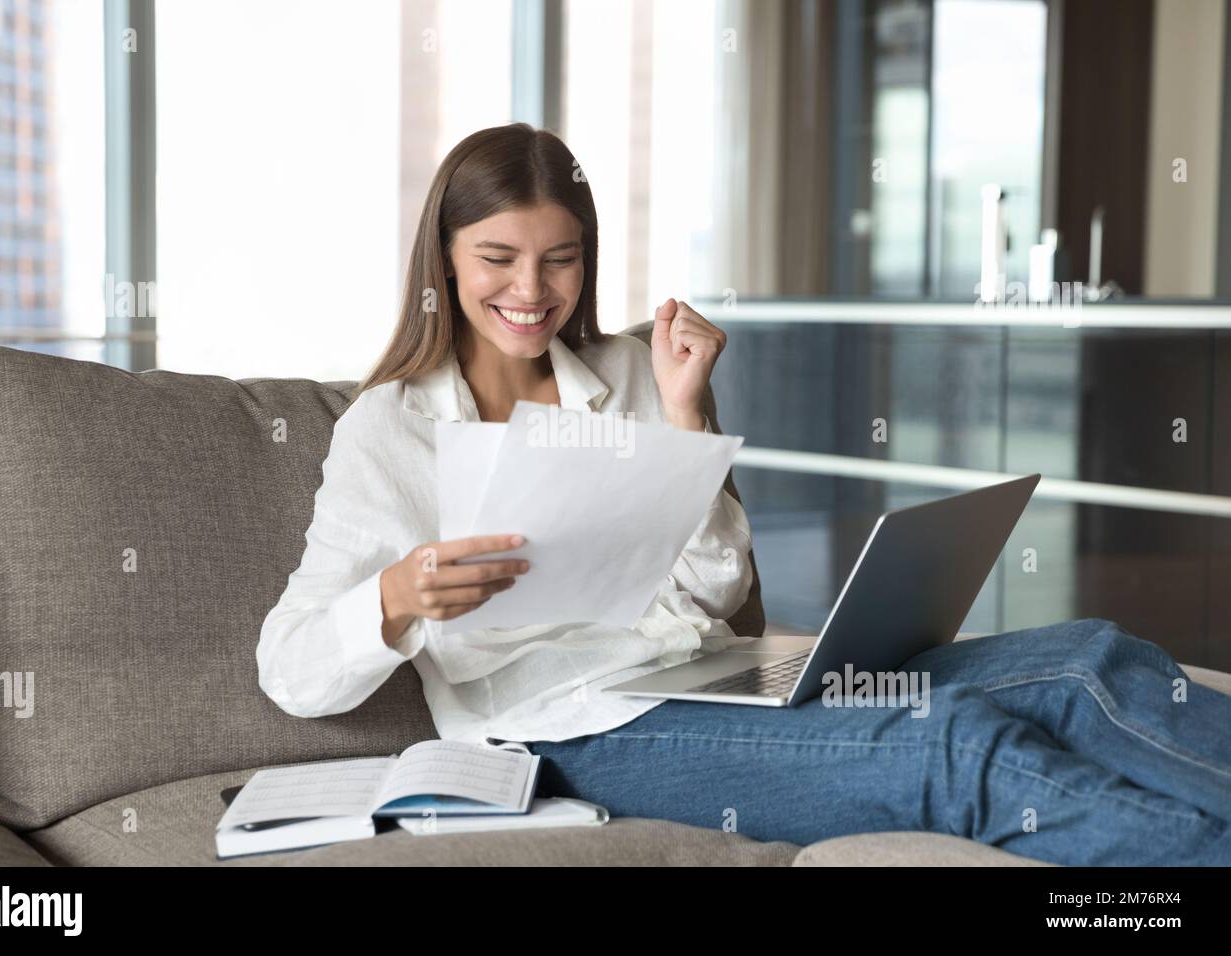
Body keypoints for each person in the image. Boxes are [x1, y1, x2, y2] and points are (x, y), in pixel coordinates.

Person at [256, 123, 1231, 866]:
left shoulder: (630, 372)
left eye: (559, 257)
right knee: (953, 745)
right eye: (498, 259)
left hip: (706, 667)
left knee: (1089, 660)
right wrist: (393, 596)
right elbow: (288, 666)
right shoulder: (388, 427)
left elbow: (711, 593)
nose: (532, 288)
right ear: (446, 261)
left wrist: (687, 415)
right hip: (571, 726)